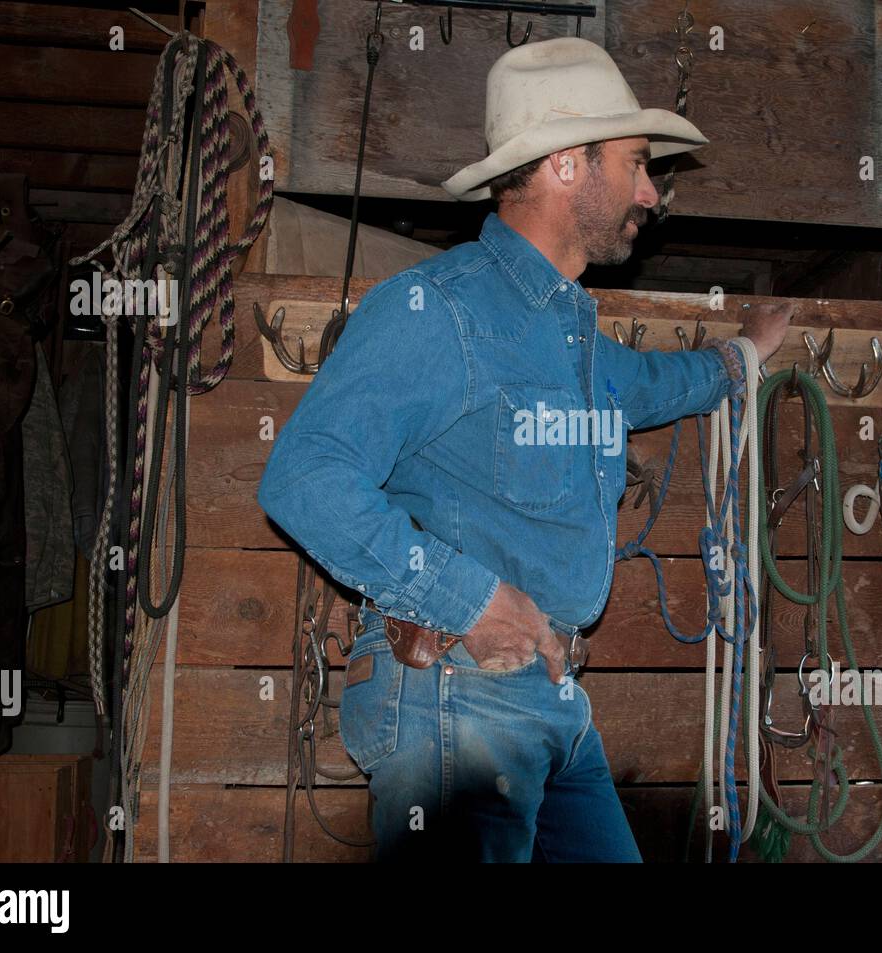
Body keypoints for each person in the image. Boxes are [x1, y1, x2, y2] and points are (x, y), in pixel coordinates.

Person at [258, 36, 793, 862]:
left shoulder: (571, 333)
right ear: (566, 165)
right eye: (638, 162)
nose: (652, 191)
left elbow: (652, 386)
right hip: (453, 701)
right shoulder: (436, 309)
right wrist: (467, 598)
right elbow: (302, 478)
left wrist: (743, 357)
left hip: (549, 699)